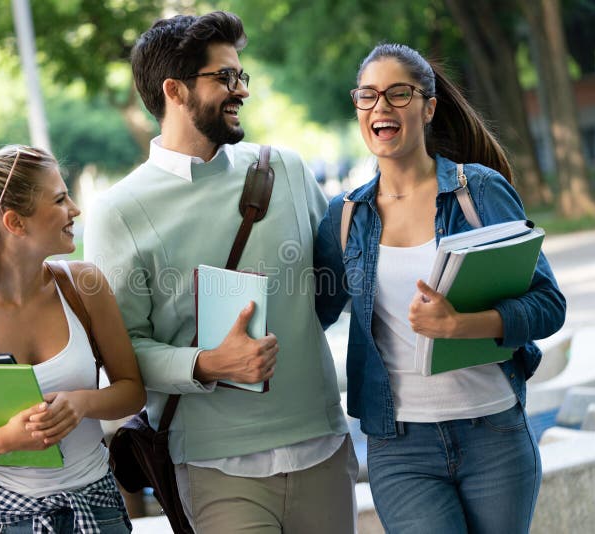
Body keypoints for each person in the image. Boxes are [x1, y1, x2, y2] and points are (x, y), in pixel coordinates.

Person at [84, 11, 357, 533]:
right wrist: (208, 363)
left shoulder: (287, 170)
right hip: (216, 468)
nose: (241, 91)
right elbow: (119, 351)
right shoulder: (118, 211)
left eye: (241, 76)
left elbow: (335, 285)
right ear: (175, 91)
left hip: (322, 446)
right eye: (224, 78)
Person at [314, 43, 566, 533]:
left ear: (428, 107)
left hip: (493, 431)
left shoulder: (479, 192)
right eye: (368, 95)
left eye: (398, 93)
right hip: (401, 445)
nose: (381, 107)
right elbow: (312, 313)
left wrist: (461, 325)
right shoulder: (344, 217)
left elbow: (548, 304)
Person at [0, 144, 146, 533]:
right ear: (16, 223)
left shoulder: (84, 286)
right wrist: (5, 438)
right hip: (3, 519)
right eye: (59, 199)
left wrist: (83, 402)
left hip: (97, 509)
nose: (75, 208)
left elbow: (132, 390)